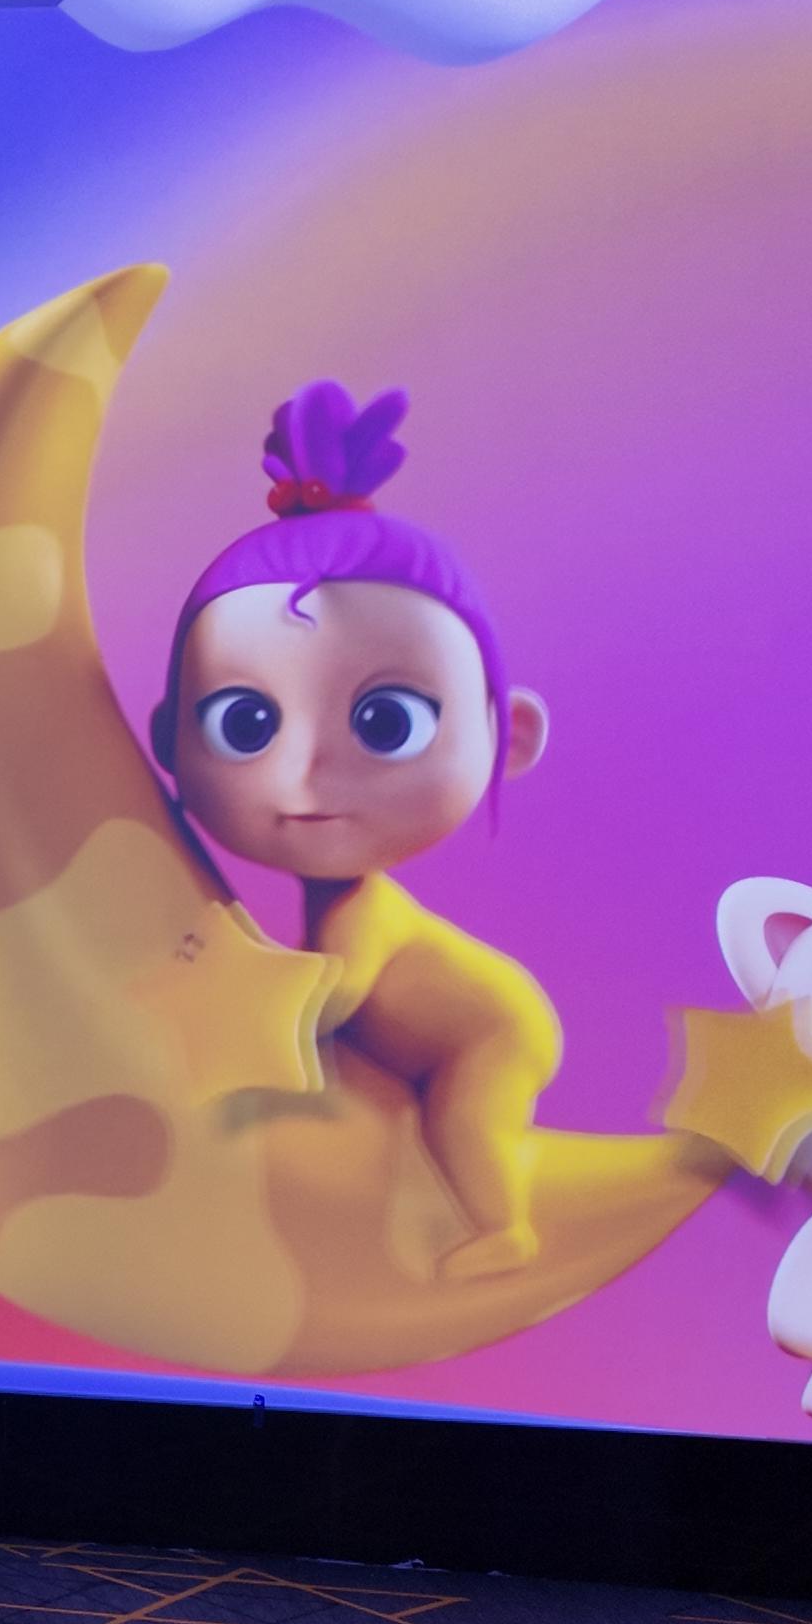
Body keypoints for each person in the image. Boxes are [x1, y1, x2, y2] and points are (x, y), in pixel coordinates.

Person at [154, 381, 554, 1278]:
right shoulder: (335, 906)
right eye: (246, 724)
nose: (304, 773)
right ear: (167, 739)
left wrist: (224, 996)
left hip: (490, 1033)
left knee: (466, 1121)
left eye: (386, 723)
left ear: (511, 737)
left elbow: (328, 1004)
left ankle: (502, 1226)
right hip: (423, 1044)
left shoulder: (362, 913)